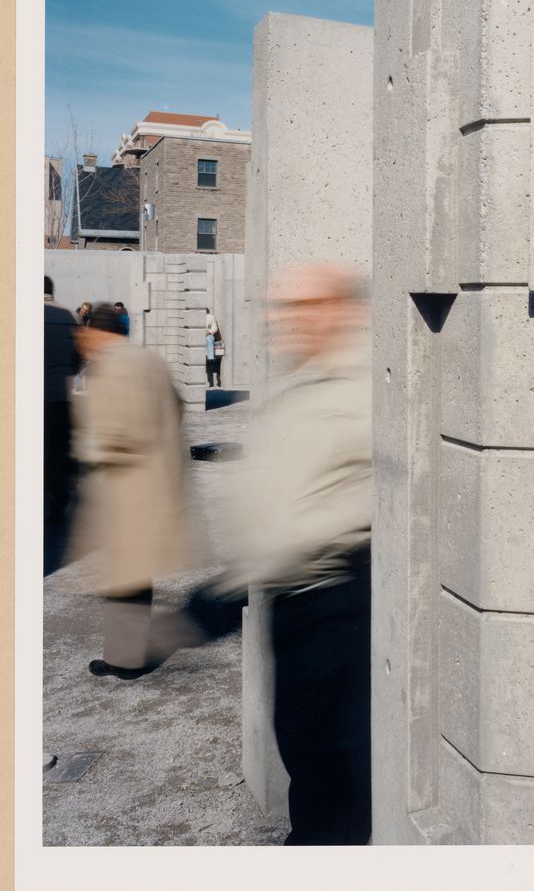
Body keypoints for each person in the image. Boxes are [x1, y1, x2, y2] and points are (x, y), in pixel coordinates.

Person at [150, 264, 371, 844]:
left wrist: (208, 607)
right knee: (302, 746)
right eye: (280, 311)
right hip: (286, 600)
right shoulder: (300, 384)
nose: (287, 322)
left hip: (335, 600)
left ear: (340, 310)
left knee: (332, 768)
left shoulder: (370, 390)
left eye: (304, 308)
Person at [68, 303, 191, 679]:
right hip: (155, 485)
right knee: (133, 576)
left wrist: (86, 448)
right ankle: (124, 655)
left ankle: (124, 660)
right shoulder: (148, 360)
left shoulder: (112, 367)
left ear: (97, 332)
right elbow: (177, 405)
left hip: (129, 490)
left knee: (125, 577)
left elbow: (120, 435)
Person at [44, 276, 80, 576]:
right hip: (62, 395)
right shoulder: (68, 316)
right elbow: (80, 358)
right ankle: (57, 504)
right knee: (59, 452)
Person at [204, 310, 224, 388]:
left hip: (208, 336)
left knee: (209, 339)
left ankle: (210, 357)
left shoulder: (210, 317)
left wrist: (208, 332)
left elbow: (214, 328)